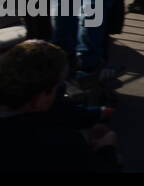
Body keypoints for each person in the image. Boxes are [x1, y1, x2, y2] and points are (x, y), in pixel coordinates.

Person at [0, 40, 119, 173]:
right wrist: (106, 149)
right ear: (39, 98)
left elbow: (60, 110)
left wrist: (95, 113)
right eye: (58, 87)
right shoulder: (61, 145)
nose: (61, 92)